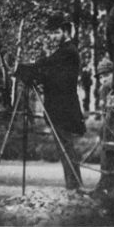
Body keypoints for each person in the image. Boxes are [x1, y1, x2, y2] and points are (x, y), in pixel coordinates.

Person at [16, 34, 85, 190]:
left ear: (64, 31)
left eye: (55, 32)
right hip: (60, 109)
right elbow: (50, 69)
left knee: (65, 146)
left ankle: (74, 185)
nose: (52, 37)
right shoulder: (63, 51)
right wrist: (36, 73)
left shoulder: (68, 52)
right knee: (65, 147)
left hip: (64, 109)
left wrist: (36, 71)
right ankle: (73, 185)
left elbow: (56, 76)